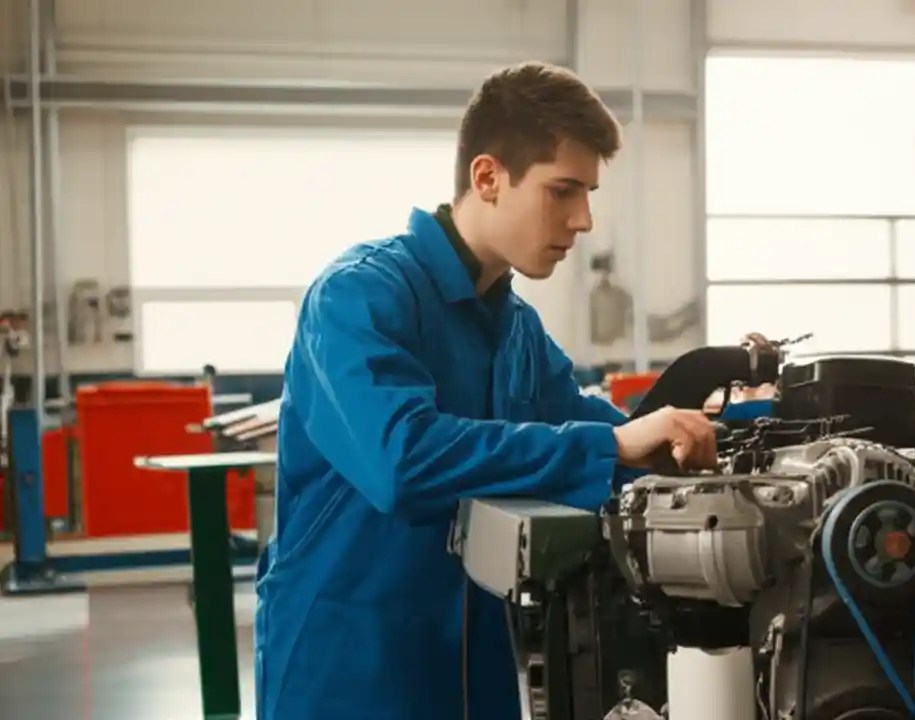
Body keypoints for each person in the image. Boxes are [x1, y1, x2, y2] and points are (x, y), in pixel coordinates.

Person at [254, 61, 719, 720]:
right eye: (563, 191)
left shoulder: (515, 328)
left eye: (588, 194)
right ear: (488, 177)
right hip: (350, 663)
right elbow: (402, 461)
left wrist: (712, 430)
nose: (584, 220)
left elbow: (597, 433)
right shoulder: (360, 296)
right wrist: (609, 442)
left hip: (474, 657)